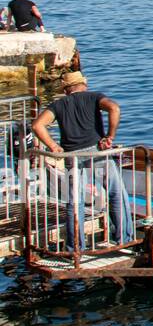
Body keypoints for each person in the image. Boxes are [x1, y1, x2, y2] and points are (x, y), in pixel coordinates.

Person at [30, 71, 135, 251]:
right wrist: (110, 136)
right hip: (97, 152)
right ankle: (124, 240)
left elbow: (37, 125)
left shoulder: (58, 104)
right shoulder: (94, 97)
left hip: (72, 156)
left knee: (75, 201)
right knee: (116, 193)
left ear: (67, 89)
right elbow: (115, 108)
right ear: (83, 85)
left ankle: (76, 248)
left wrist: (53, 146)